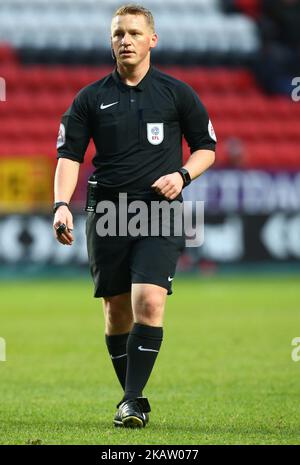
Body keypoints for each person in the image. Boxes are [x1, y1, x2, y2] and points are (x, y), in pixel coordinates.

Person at [53, 4, 216, 428]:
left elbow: (206, 148)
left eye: (133, 33)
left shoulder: (177, 93)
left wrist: (182, 176)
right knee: (116, 311)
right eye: (118, 34)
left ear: (152, 40)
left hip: (159, 212)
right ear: (111, 42)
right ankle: (133, 398)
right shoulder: (90, 98)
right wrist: (60, 205)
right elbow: (69, 156)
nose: (125, 40)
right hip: (108, 211)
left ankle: (129, 400)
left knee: (149, 301)